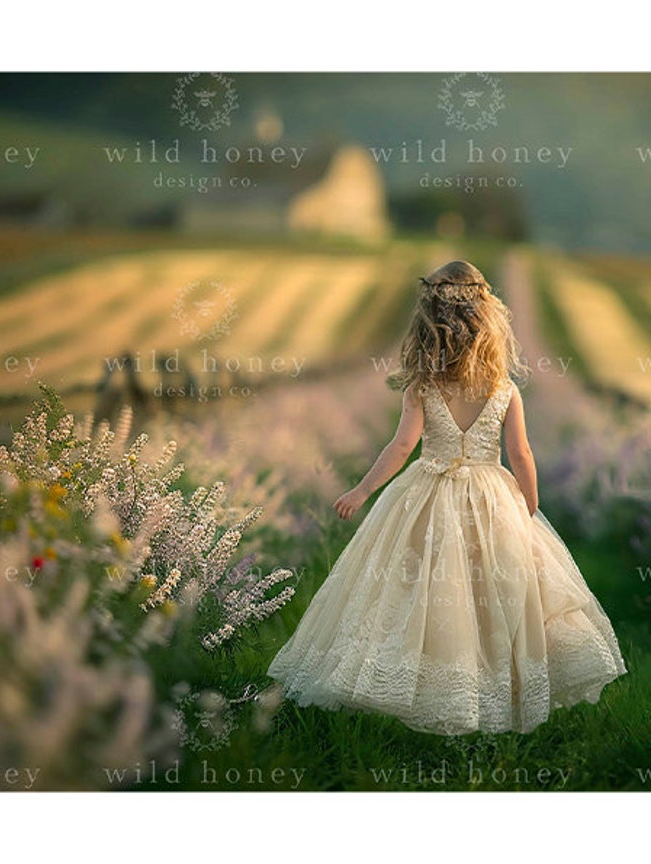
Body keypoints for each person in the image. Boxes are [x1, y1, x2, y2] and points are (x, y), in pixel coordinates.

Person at [267, 260, 626, 735]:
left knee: (424, 590)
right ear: (486, 325)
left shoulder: (423, 387)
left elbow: (400, 448)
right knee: (494, 592)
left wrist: (363, 490)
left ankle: (432, 679)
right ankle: (490, 688)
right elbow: (520, 453)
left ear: (429, 329)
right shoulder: (503, 390)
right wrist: (529, 505)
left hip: (427, 493)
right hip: (492, 496)